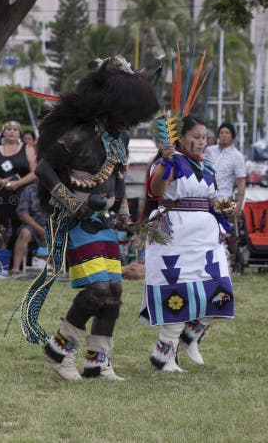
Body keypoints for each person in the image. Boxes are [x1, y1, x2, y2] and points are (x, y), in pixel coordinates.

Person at [24, 55, 159, 381]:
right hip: (76, 223)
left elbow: (119, 179)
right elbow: (43, 169)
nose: (129, 121)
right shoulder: (77, 136)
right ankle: (59, 348)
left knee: (114, 292)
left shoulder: (120, 138)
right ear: (108, 104)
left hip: (105, 223)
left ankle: (98, 362)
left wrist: (125, 215)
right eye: (126, 113)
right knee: (99, 289)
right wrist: (72, 204)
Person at [142, 115, 234, 372]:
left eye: (205, 137)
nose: (202, 142)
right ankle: (165, 354)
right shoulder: (168, 162)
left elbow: (211, 198)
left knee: (220, 291)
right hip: (174, 234)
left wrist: (222, 210)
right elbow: (156, 191)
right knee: (177, 293)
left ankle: (189, 335)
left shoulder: (207, 166)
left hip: (205, 237)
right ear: (180, 138)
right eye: (196, 137)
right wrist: (166, 161)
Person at [0, 120, 36, 254]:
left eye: (15, 129)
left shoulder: (28, 148)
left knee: (17, 227)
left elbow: (35, 172)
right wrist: (1, 181)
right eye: (8, 129)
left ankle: (15, 263)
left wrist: (17, 183)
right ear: (3, 132)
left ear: (19, 133)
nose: (12, 132)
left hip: (21, 196)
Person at [206, 122, 246, 220]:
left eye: (227, 133)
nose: (224, 135)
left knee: (221, 230)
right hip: (205, 197)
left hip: (223, 200)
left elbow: (241, 181)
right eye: (222, 132)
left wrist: (239, 204)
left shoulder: (237, 156)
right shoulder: (209, 150)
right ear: (218, 135)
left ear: (232, 136)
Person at [9, 182, 46, 277]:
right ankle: (16, 269)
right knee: (24, 233)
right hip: (33, 225)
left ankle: (63, 268)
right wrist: (40, 229)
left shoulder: (58, 189)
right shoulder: (29, 190)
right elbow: (23, 214)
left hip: (53, 225)